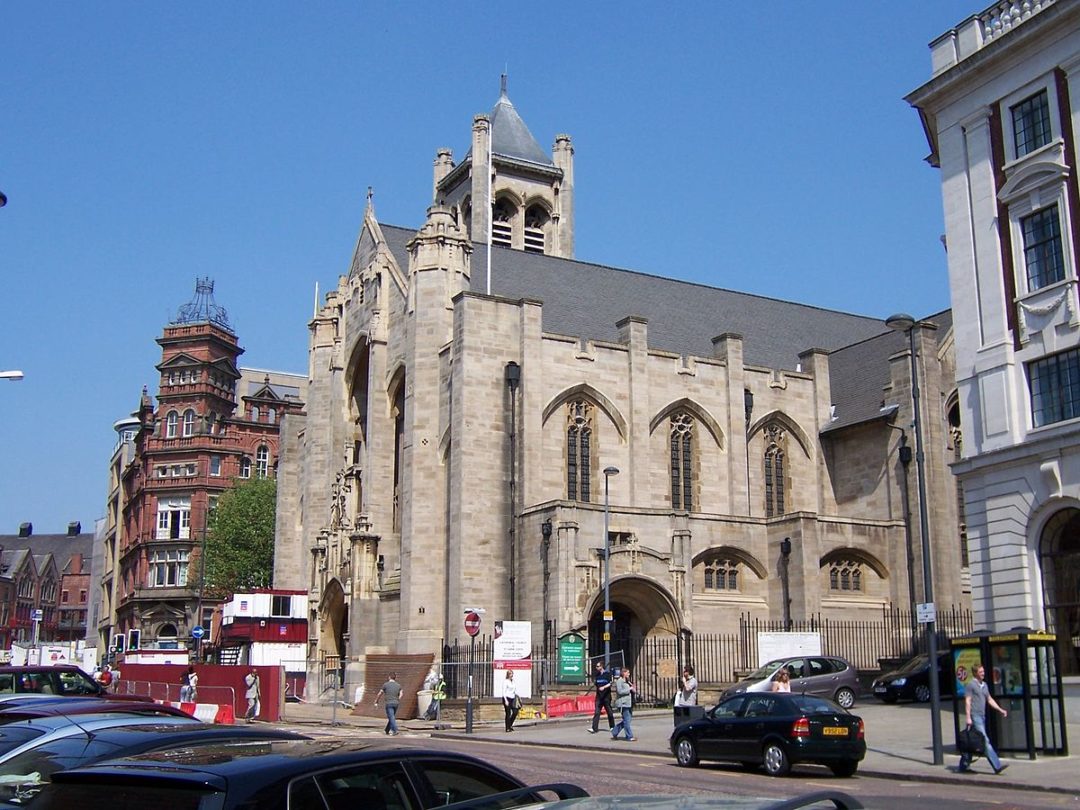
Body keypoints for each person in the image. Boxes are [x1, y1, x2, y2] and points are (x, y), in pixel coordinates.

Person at [959, 664, 1009, 774]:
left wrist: (1000, 709)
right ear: (976, 673)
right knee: (985, 741)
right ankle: (997, 766)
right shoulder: (971, 685)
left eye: (983, 671)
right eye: (981, 672)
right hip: (974, 716)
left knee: (971, 741)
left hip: (982, 717)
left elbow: (989, 699)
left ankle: (963, 766)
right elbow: (967, 701)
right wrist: (968, 717)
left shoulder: (984, 685)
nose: (983, 673)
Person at [610, 667, 637, 741]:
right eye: (627, 672)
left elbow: (632, 690)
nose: (629, 674)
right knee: (627, 720)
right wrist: (629, 689)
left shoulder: (627, 681)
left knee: (627, 720)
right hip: (623, 703)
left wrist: (633, 689)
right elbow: (620, 691)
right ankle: (629, 736)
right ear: (623, 673)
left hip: (629, 703)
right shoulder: (619, 681)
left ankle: (615, 731)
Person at [589, 660, 614, 733]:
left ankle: (612, 726)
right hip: (599, 697)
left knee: (609, 712)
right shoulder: (597, 675)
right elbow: (596, 684)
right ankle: (594, 728)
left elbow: (610, 683)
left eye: (598, 666)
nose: (596, 667)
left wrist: (604, 687)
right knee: (597, 712)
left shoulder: (607, 674)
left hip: (606, 696)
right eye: (596, 666)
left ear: (601, 666)